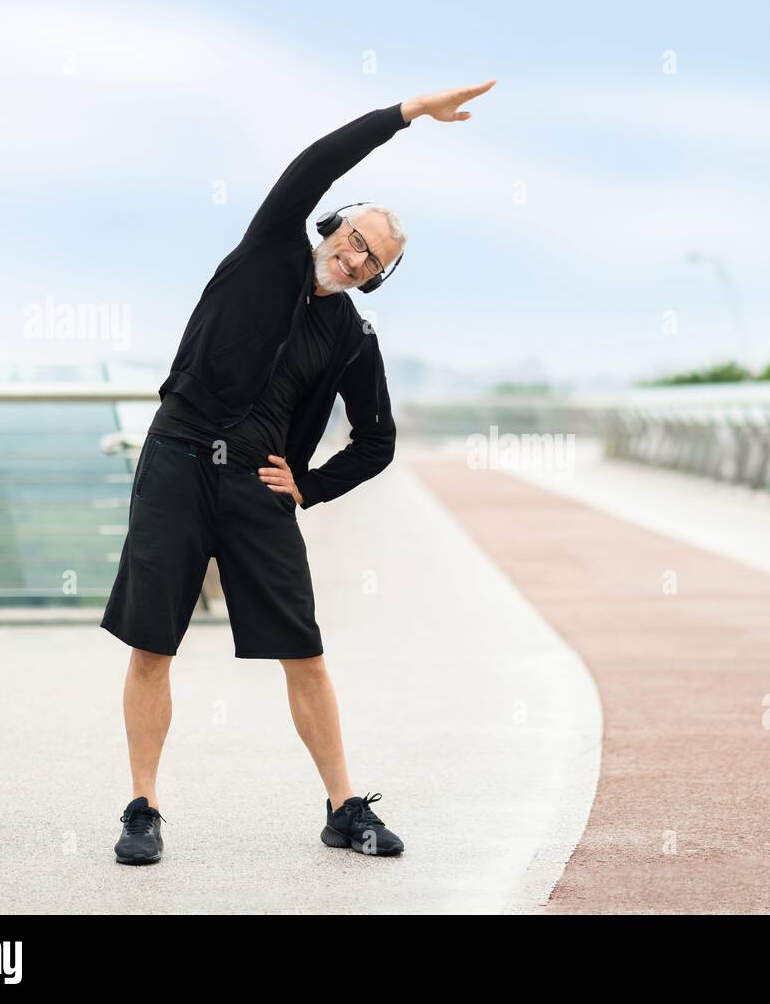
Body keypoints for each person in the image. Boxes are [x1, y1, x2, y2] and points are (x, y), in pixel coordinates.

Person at [102, 80, 497, 865]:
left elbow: (377, 441)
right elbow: (319, 160)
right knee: (153, 646)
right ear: (333, 225)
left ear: (378, 275)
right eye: (353, 238)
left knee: (304, 653)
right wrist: (409, 114)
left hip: (257, 489)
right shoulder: (270, 247)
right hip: (177, 462)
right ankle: (143, 808)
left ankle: (344, 808)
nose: (354, 258)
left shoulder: (352, 337)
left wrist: (308, 485)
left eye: (371, 259)